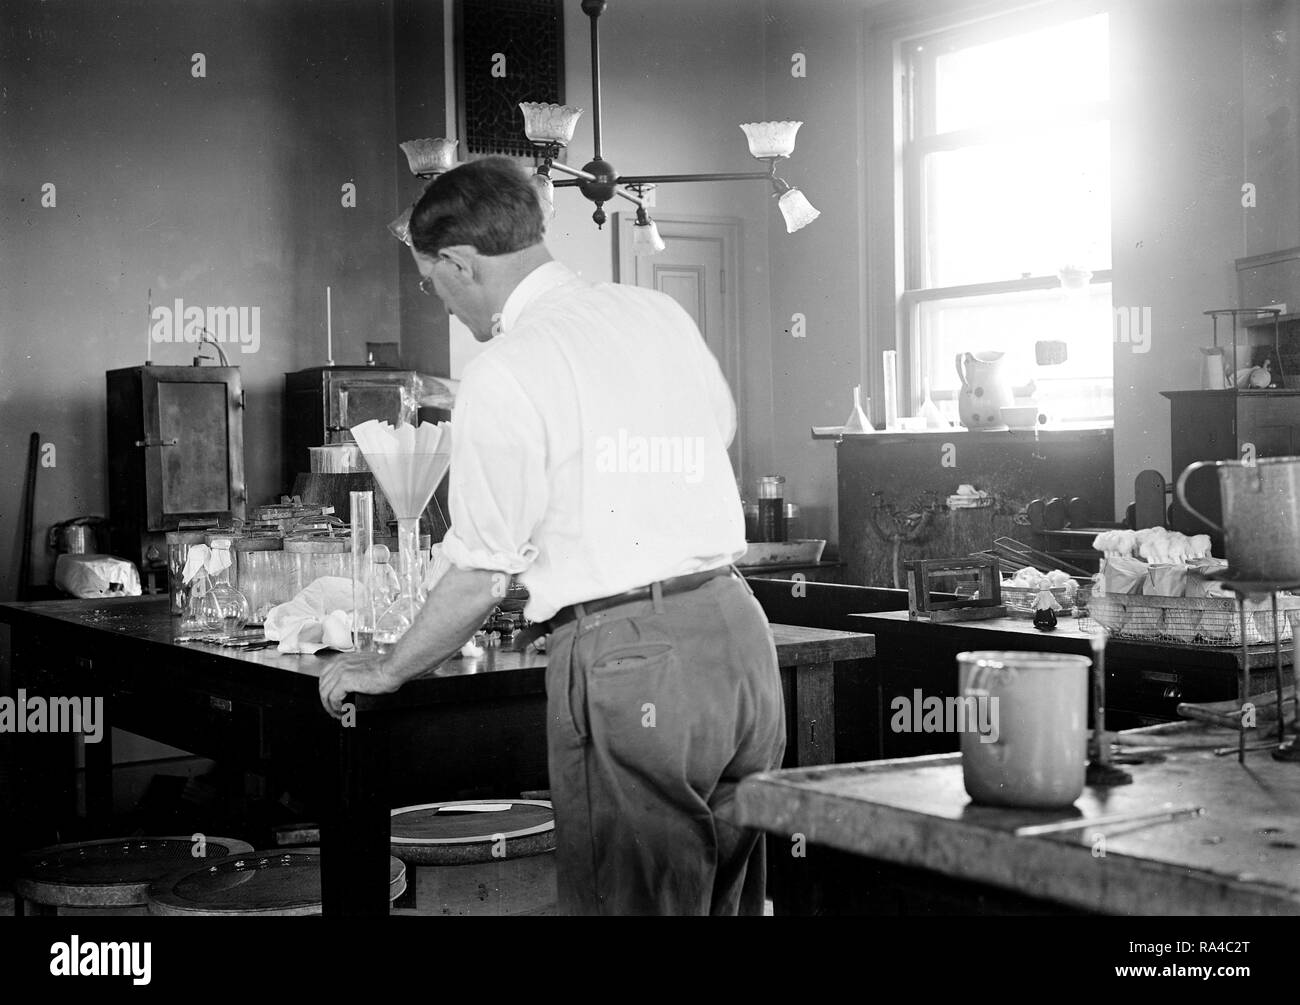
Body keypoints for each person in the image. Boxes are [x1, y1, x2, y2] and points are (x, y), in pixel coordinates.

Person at [318, 156, 785, 915]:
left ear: (461, 263)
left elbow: (482, 572)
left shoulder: (504, 368)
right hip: (739, 639)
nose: (437, 301)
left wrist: (390, 665)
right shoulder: (657, 313)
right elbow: (714, 433)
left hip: (632, 658)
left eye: (431, 281)